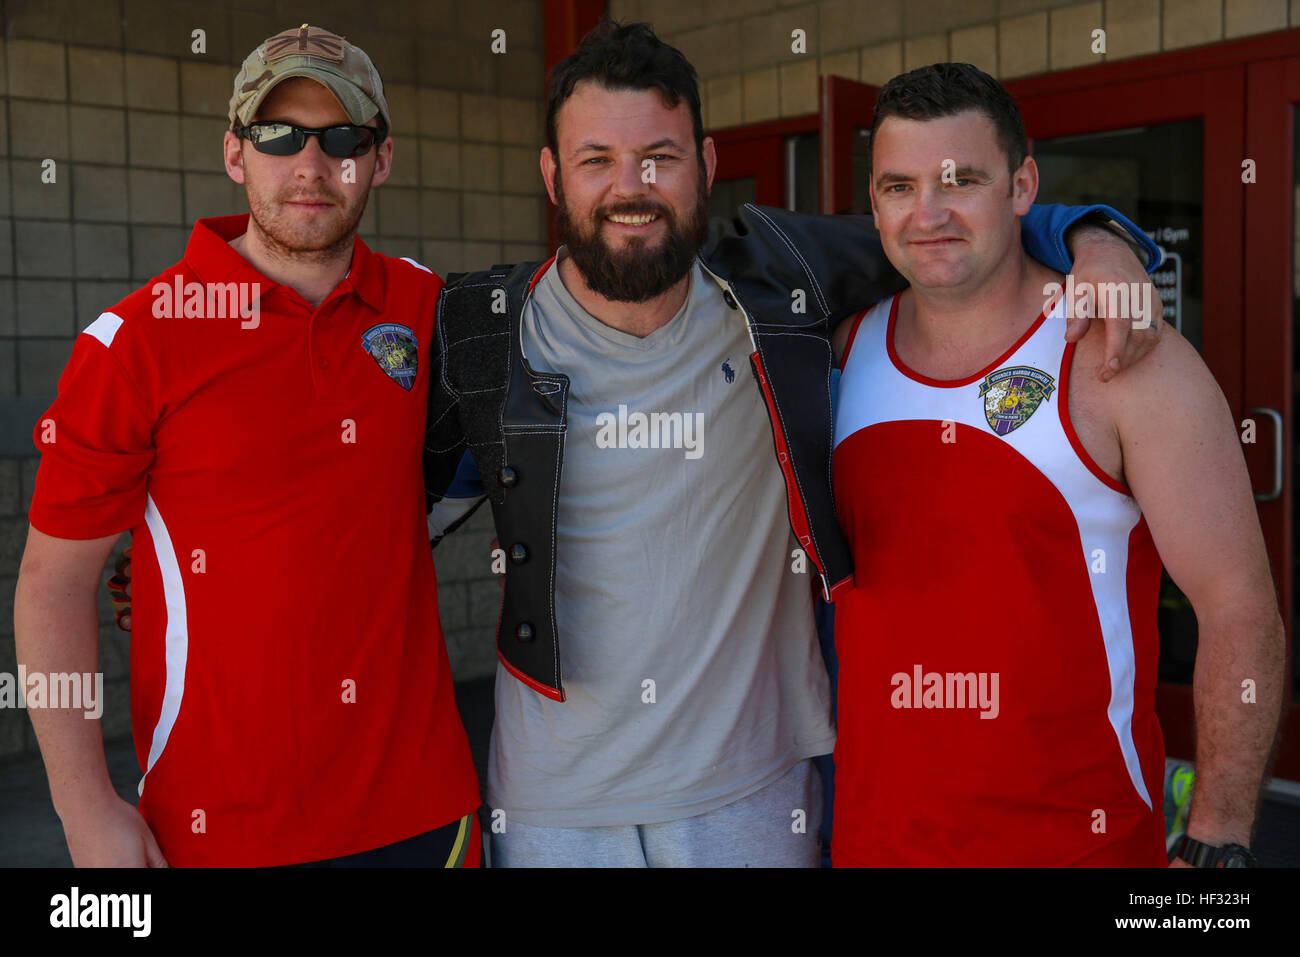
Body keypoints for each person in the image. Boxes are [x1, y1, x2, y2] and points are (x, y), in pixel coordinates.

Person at [422, 20, 1163, 867]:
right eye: (597, 160)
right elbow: (380, 518)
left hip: (757, 792)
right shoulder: (485, 338)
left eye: (659, 156)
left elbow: (940, 222)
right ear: (553, 176)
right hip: (553, 805)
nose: (633, 186)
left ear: (704, 164)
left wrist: (1090, 236)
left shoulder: (779, 284)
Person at [14, 25, 480, 867]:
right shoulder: (137, 341)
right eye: (278, 135)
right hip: (216, 828)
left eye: (343, 138)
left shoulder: (426, 308)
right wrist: (85, 811)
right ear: (236, 153)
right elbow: (51, 587)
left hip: (423, 813)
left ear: (381, 159)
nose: (310, 163)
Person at [828, 62, 1285, 866]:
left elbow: (1238, 607)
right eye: (898, 186)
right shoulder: (832, 352)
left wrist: (1216, 842)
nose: (928, 212)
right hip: (874, 845)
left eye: (960, 179)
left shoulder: (1126, 358)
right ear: (873, 201)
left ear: (1023, 185)